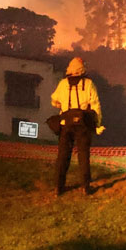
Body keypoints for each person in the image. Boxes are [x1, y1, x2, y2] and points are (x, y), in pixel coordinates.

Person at [50, 56, 104, 196]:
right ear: (82, 68)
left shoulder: (63, 84)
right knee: (84, 156)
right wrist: (97, 124)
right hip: (83, 124)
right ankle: (85, 187)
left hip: (65, 124)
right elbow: (96, 105)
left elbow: (54, 101)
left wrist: (63, 105)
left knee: (62, 156)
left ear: (70, 68)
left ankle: (58, 187)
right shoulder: (89, 83)